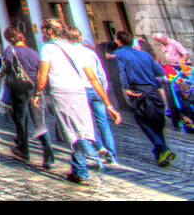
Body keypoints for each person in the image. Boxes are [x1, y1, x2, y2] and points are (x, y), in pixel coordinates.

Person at [34, 18, 120, 185]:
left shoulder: (48, 48)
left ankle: (92, 155)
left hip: (61, 93)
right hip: (80, 92)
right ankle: (81, 168)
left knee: (70, 131)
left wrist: (37, 93)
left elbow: (42, 74)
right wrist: (108, 103)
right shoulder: (81, 51)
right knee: (81, 128)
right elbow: (93, 78)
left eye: (43, 29)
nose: (42, 32)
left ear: (50, 31)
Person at [113, 31, 177, 166]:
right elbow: (159, 71)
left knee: (143, 121)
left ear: (118, 41)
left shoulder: (119, 54)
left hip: (138, 90)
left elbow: (122, 72)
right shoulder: (144, 54)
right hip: (152, 90)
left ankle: (163, 148)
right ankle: (160, 155)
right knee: (156, 121)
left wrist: (126, 89)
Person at [1, 26, 55, 168]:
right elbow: (41, 71)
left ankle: (23, 149)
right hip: (35, 88)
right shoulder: (33, 53)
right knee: (39, 123)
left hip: (19, 89)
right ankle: (49, 157)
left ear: (10, 39)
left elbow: (6, 68)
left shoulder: (10, 51)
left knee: (20, 119)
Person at [68, 26, 116, 167]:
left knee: (85, 122)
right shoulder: (90, 53)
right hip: (97, 88)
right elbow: (101, 74)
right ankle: (111, 153)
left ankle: (100, 148)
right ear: (80, 38)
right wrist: (103, 90)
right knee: (103, 122)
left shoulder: (68, 52)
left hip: (81, 89)